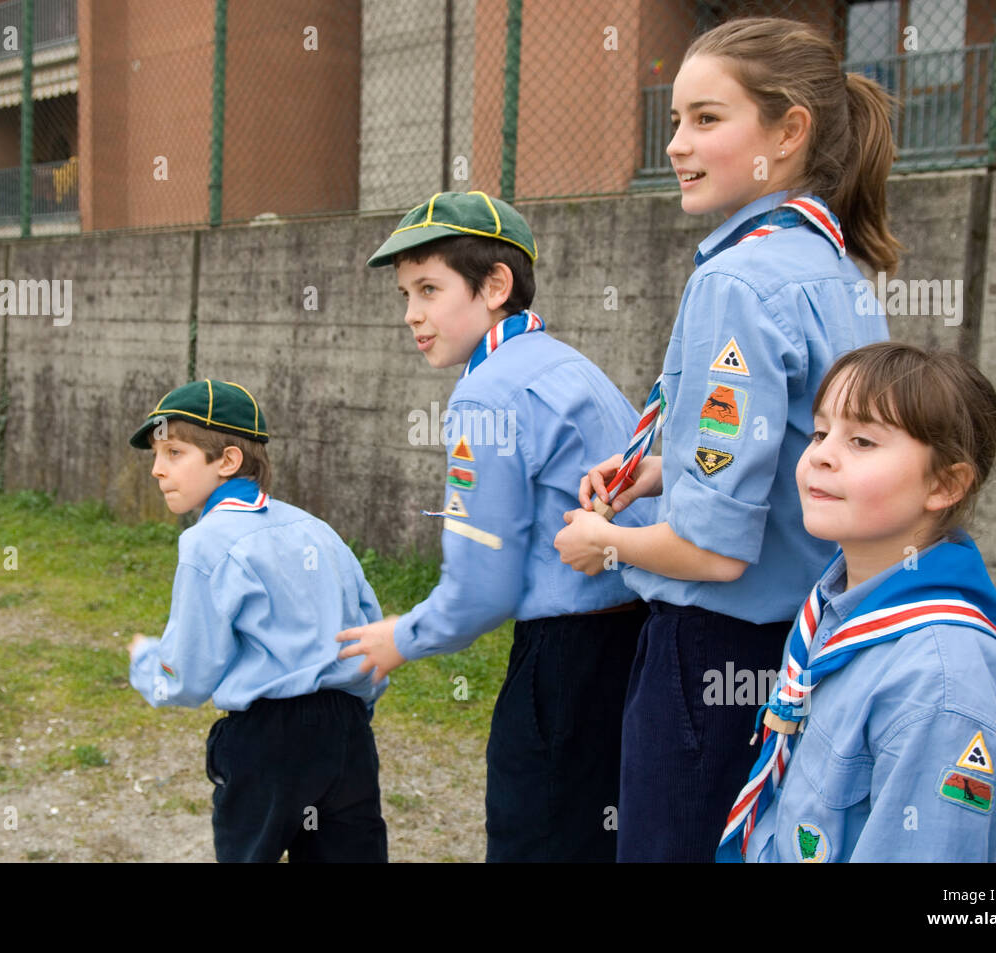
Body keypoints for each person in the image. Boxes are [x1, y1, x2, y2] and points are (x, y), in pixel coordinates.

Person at [554, 16, 894, 861]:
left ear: (788, 133)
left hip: (711, 661)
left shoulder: (736, 281)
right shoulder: (835, 270)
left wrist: (603, 543)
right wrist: (664, 471)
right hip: (808, 639)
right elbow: (795, 455)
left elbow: (713, 554)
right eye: (675, 121)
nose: (675, 144)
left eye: (707, 119)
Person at [337, 190, 655, 862]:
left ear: (495, 285)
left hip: (562, 666)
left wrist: (403, 636)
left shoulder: (488, 391)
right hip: (633, 645)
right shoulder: (572, 365)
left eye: (428, 288)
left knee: (535, 836)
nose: (411, 315)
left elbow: (484, 585)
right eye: (404, 294)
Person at [718, 342, 996, 862]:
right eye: (821, 432)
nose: (822, 454)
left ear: (944, 484)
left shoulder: (940, 690)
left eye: (862, 441)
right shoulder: (836, 608)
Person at [126, 379, 388, 863]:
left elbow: (188, 674)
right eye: (156, 455)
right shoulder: (318, 530)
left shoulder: (208, 543)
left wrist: (146, 663)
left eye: (174, 452)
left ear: (226, 460)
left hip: (267, 743)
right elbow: (370, 634)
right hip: (347, 736)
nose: (157, 470)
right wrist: (353, 715)